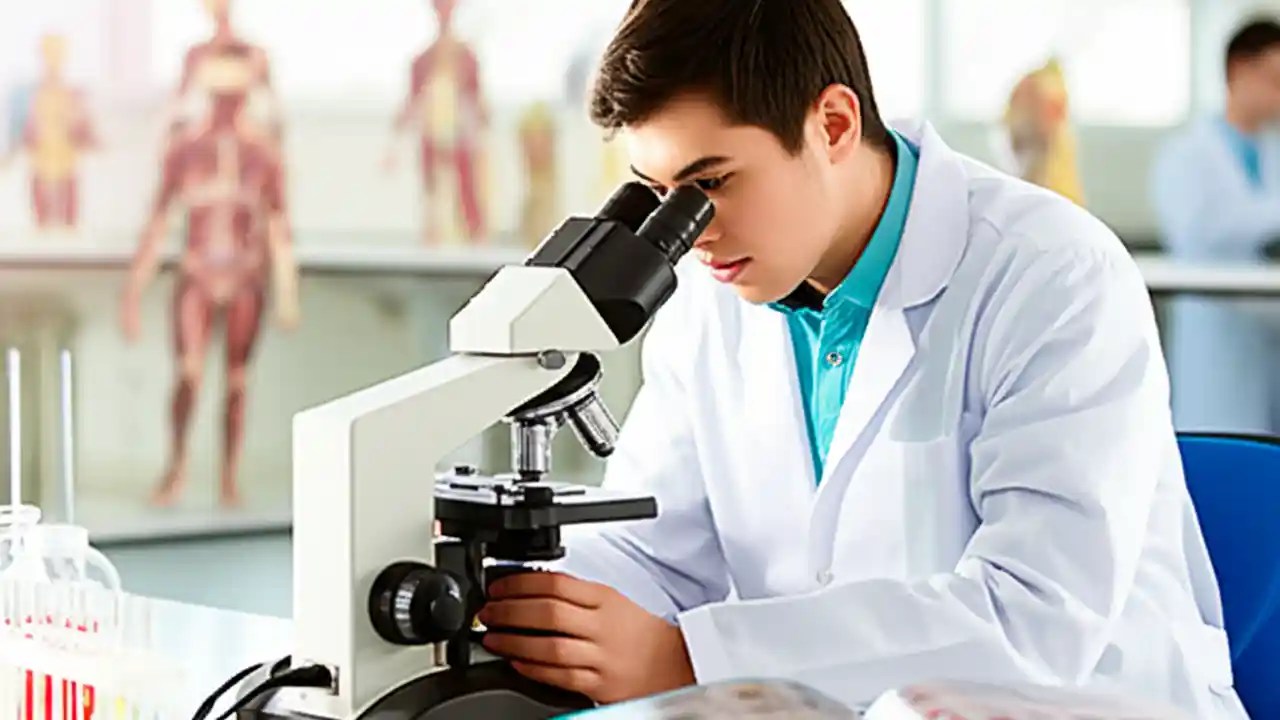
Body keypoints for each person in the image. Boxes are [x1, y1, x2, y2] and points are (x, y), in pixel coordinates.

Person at [475, 1, 1246, 718]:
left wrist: (690, 658)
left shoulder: (1052, 273)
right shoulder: (718, 299)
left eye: (711, 183)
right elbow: (659, 551)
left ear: (834, 124)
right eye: (659, 192)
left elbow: (1037, 619)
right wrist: (515, 595)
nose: (694, 230)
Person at [120, 85, 299, 509]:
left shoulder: (263, 153)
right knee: (189, 373)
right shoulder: (185, 149)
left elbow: (277, 226)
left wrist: (287, 291)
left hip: (245, 277)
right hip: (198, 276)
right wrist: (134, 292)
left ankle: (228, 478)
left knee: (237, 381)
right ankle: (176, 468)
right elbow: (159, 221)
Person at [1151, 18, 1280, 434]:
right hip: (1213, 329)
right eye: (1275, 78)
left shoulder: (1272, 152)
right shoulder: (1186, 154)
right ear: (1239, 70)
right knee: (1213, 449)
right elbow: (1201, 231)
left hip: (1263, 336)